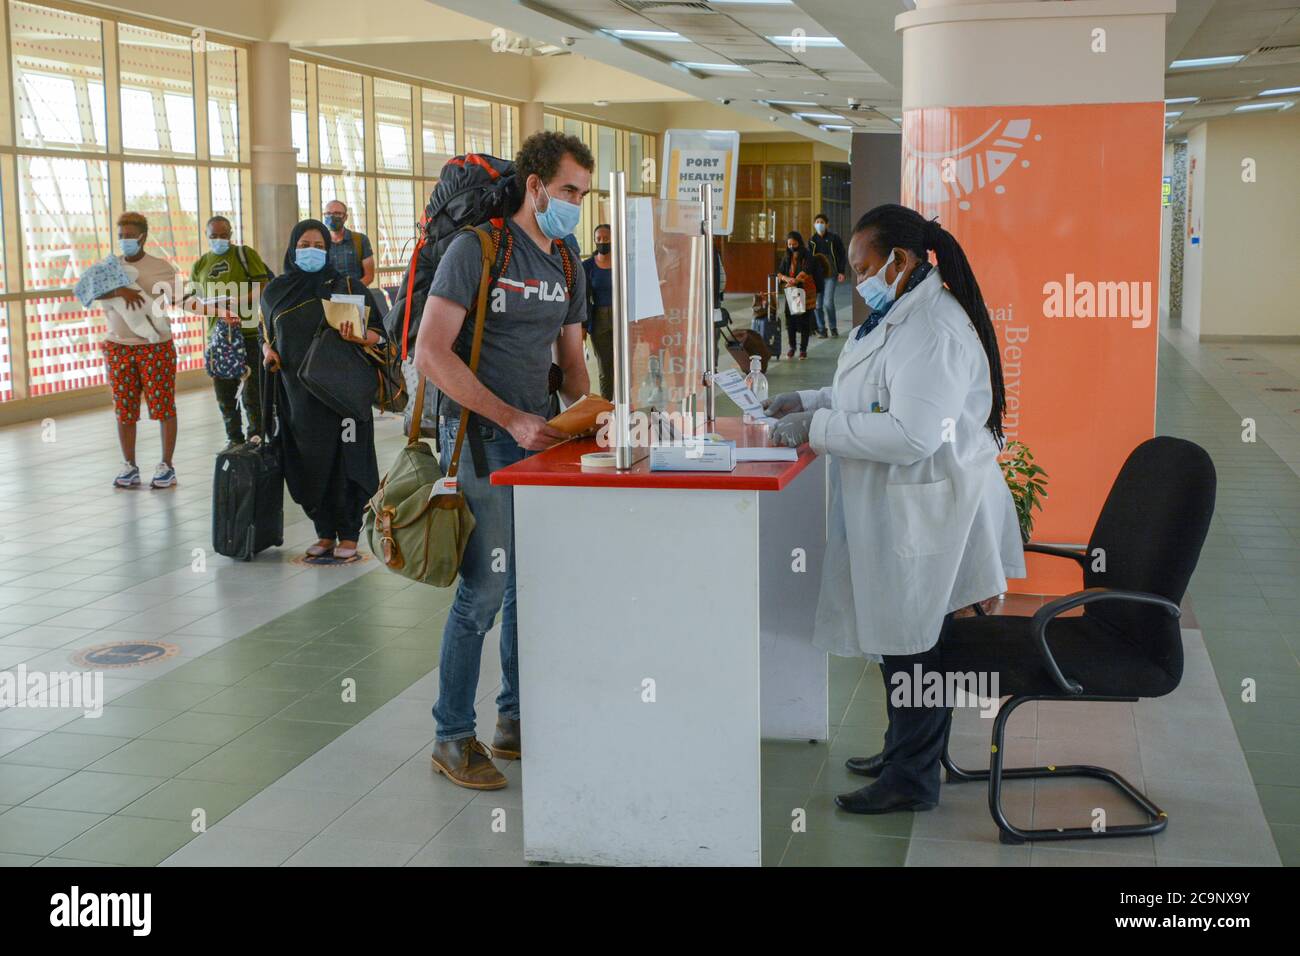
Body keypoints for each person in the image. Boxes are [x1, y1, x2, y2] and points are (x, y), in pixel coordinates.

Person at [766, 203, 1024, 814]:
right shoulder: (905, 314)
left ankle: (912, 778)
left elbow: (911, 432)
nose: (859, 281)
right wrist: (809, 397)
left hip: (929, 512)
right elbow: (876, 391)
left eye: (864, 269)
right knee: (900, 639)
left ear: (901, 261)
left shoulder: (932, 328)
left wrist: (820, 426)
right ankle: (901, 750)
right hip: (905, 507)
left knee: (916, 643)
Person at [415, 130, 592, 790]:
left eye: (583, 192)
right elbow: (431, 352)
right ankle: (451, 736)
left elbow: (572, 365)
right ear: (536, 186)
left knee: (528, 586)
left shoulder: (567, 259)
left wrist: (604, 411)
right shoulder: (478, 249)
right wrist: (509, 416)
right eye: (569, 190)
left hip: (540, 442)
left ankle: (512, 718)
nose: (576, 203)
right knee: (483, 590)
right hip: (482, 438)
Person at [261, 219, 385, 561]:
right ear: (291, 248)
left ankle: (348, 533)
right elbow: (266, 336)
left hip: (342, 396)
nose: (311, 251)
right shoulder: (275, 292)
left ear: (328, 249)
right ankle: (323, 532)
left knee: (347, 461)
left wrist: (359, 337)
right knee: (308, 464)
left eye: (318, 245)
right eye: (304, 245)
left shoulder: (347, 286)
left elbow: (381, 334)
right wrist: (267, 352)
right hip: (297, 397)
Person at [95, 212, 181, 489]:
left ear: (143, 236)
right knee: (124, 409)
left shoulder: (160, 267)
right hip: (118, 346)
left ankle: (166, 465)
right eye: (121, 236)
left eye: (130, 236)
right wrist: (121, 291)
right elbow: (91, 291)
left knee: (163, 405)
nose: (125, 241)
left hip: (155, 347)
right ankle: (129, 465)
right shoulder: (111, 266)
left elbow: (182, 298)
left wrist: (216, 309)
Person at [186, 215, 272, 448]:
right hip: (218, 337)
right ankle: (233, 438)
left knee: (251, 391)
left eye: (224, 235)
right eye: (214, 236)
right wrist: (214, 307)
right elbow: (191, 300)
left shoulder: (244, 255)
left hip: (248, 333)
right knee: (225, 393)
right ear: (206, 236)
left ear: (231, 234)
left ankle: (256, 436)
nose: (220, 239)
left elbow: (263, 286)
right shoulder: (201, 264)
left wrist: (237, 301)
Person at [583, 223, 614, 399]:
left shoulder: (622, 262)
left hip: (621, 319)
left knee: (624, 365)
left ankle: (625, 405)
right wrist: (583, 328)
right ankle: (607, 405)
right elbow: (584, 299)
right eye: (599, 239)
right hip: (599, 320)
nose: (602, 242)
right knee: (605, 367)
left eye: (606, 239)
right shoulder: (587, 266)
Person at [776, 231, 817, 360]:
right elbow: (779, 273)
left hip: (805, 291)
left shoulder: (807, 255)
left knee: (804, 321)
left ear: (799, 243)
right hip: (791, 292)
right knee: (790, 321)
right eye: (789, 244)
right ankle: (792, 347)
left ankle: (803, 349)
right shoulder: (787, 256)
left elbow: (807, 270)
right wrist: (787, 279)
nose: (792, 246)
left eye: (794, 244)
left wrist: (794, 280)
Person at [809, 212, 847, 338]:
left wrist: (841, 271)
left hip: (831, 274)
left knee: (828, 302)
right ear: (814, 224)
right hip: (816, 276)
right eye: (817, 222)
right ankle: (821, 329)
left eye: (822, 222)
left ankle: (833, 327)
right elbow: (808, 258)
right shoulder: (812, 240)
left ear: (827, 225)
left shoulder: (834, 238)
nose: (819, 224)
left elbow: (842, 254)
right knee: (817, 305)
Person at [323, 200, 375, 287]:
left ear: (345, 217)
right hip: (327, 297)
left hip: (354, 297)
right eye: (328, 213)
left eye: (337, 213)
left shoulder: (360, 240)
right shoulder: (320, 243)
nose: (332, 217)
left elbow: (369, 276)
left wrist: (352, 291)